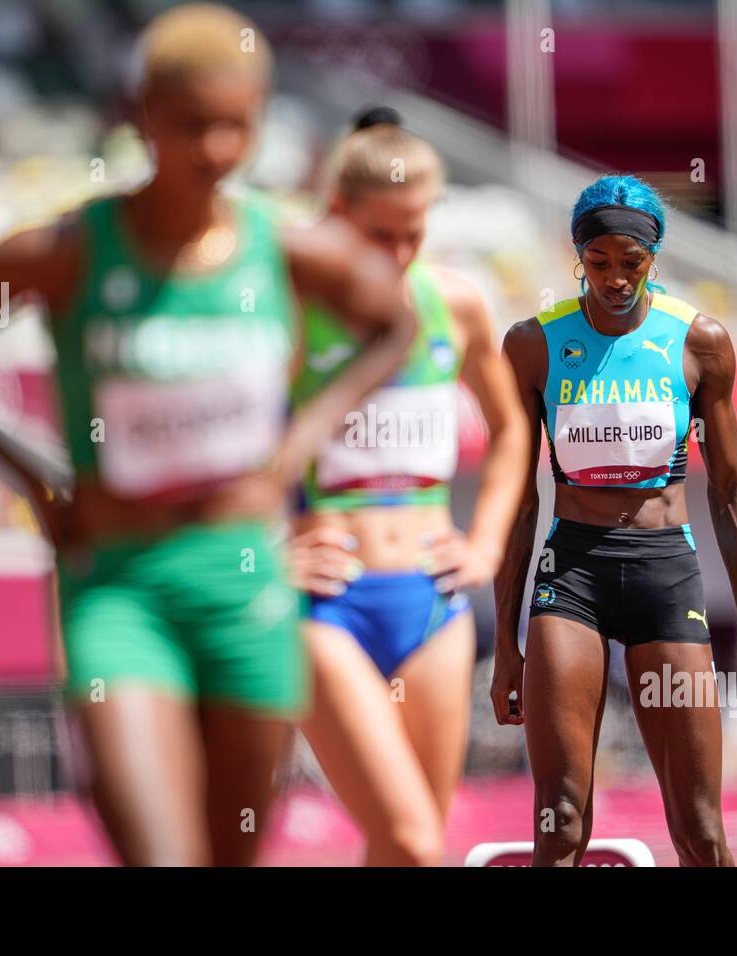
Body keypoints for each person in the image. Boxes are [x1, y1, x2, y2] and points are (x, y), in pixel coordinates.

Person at [0, 3, 417, 866]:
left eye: (238, 126)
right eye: (193, 126)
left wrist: (298, 445)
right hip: (121, 589)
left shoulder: (284, 247)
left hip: (244, 586)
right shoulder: (72, 250)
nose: (217, 150)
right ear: (142, 115)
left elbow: (395, 322)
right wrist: (29, 473)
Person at [491, 173, 737, 866]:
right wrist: (506, 641)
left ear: (656, 257)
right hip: (573, 575)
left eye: (632, 264)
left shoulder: (699, 342)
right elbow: (519, 498)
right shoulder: (534, 344)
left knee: (701, 828)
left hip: (665, 579)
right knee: (559, 817)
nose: (615, 280)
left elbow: (731, 489)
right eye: (599, 264)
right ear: (577, 256)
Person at [286, 108, 529, 865]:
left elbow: (514, 427)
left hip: (432, 600)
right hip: (326, 605)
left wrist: (487, 544)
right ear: (337, 212)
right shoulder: (289, 307)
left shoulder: (455, 303)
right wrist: (267, 552)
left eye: (414, 232)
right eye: (378, 233)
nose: (397, 252)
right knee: (411, 839)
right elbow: (226, 452)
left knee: (414, 841)